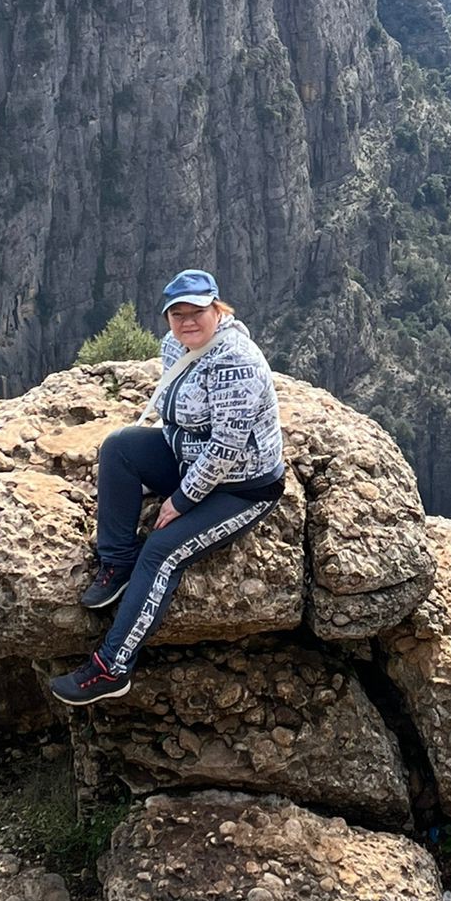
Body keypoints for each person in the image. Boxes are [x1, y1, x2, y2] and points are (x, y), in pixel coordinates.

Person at [49, 268, 284, 705]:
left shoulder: (237, 362)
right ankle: (117, 564)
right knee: (119, 446)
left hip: (242, 487)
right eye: (177, 314)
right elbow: (177, 413)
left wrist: (181, 499)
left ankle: (111, 668)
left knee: (160, 551)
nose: (186, 321)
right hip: (187, 458)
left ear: (217, 310)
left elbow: (226, 449)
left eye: (196, 311)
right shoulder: (175, 345)